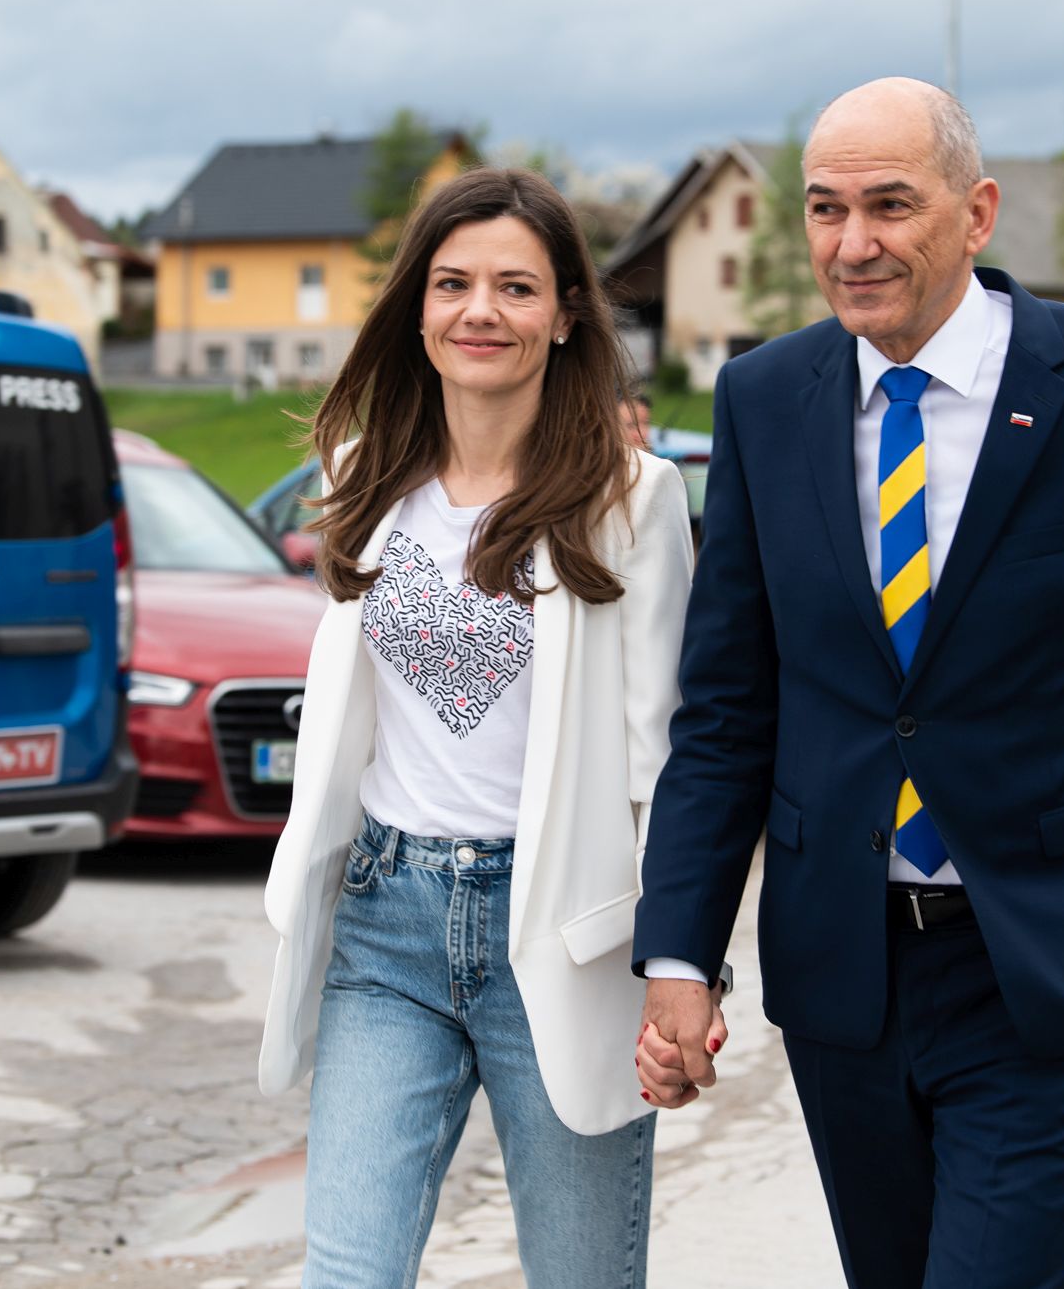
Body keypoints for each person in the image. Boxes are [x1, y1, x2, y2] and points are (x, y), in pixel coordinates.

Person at [629, 78, 1064, 1289]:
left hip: (1045, 956)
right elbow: (727, 706)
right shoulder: (762, 399)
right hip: (846, 968)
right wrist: (679, 952)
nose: (853, 243)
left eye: (890, 204)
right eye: (825, 209)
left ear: (977, 211)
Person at [255, 165, 699, 1288]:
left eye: (515, 287)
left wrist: (678, 966)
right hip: (386, 923)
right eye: (452, 283)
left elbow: (663, 755)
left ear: (562, 317)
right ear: (417, 307)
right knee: (346, 1273)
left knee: (581, 1277)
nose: (480, 311)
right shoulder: (362, 477)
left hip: (555, 932)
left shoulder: (632, 498)